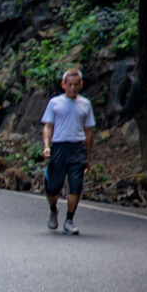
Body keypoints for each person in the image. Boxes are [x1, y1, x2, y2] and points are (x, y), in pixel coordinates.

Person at [41, 67, 95, 235]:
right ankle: (53, 208)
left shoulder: (85, 104)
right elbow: (48, 126)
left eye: (76, 84)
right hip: (59, 146)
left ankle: (69, 220)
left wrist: (88, 156)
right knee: (53, 187)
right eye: (69, 84)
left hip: (77, 147)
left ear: (81, 84)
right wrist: (47, 146)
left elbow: (88, 131)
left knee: (75, 186)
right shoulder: (55, 103)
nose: (72, 88)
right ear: (63, 85)